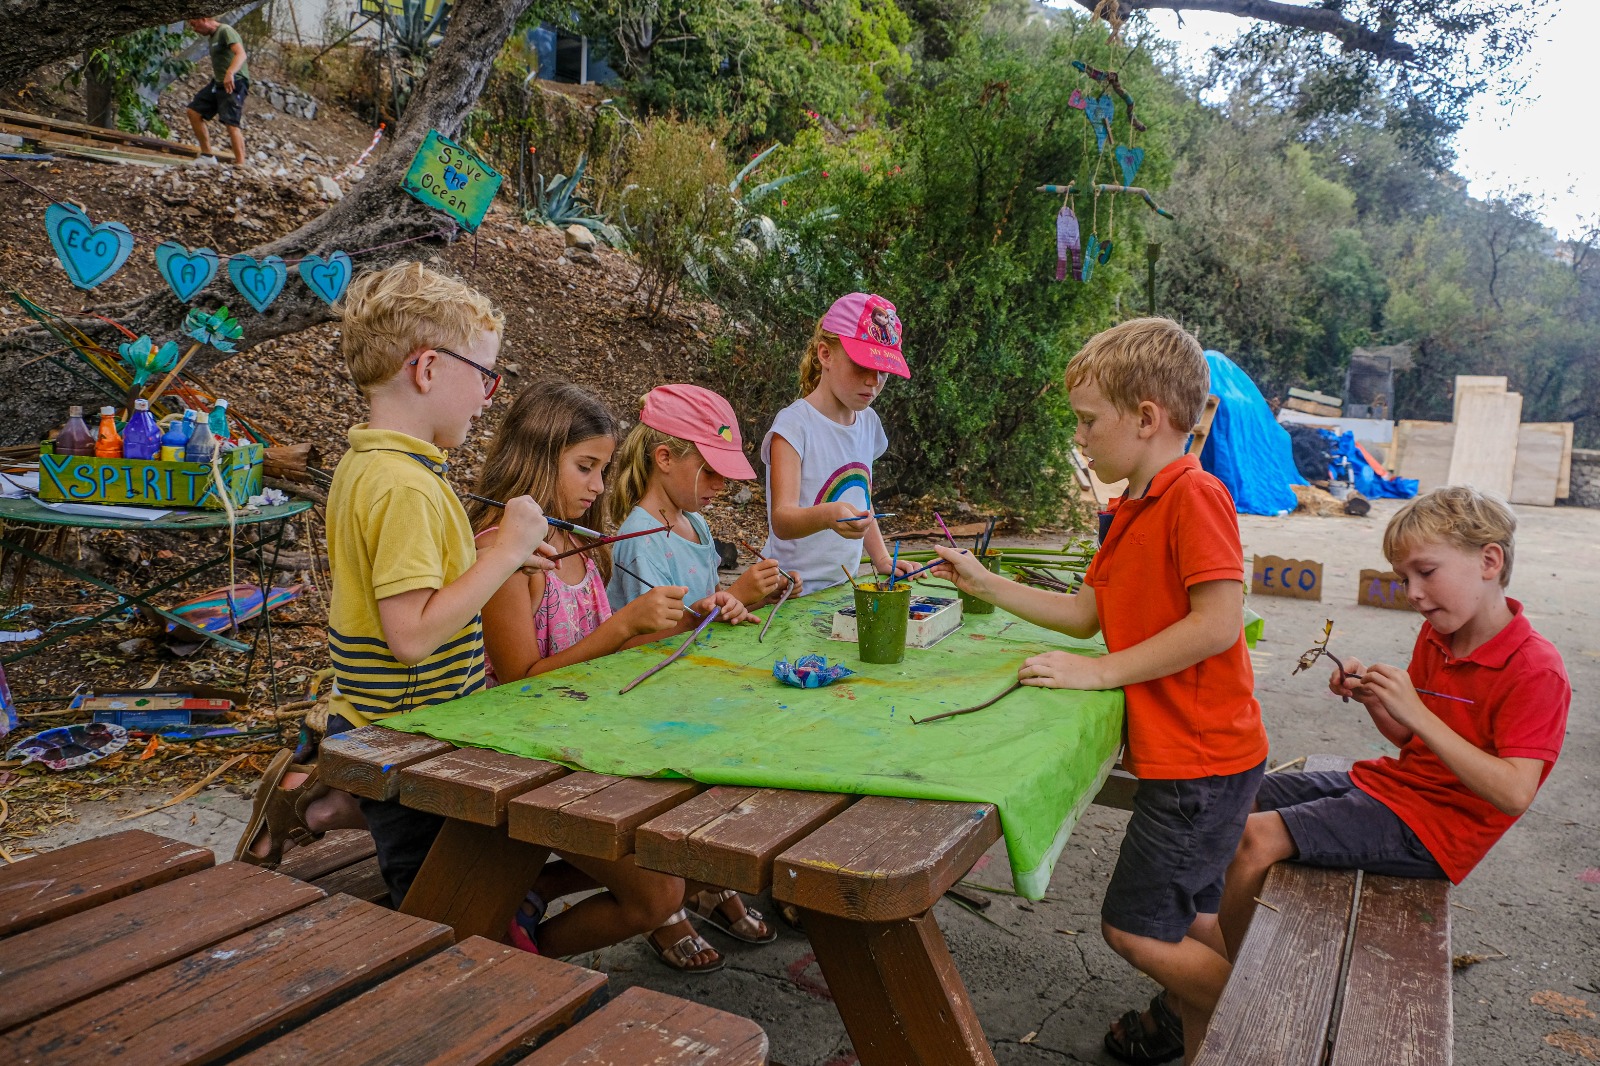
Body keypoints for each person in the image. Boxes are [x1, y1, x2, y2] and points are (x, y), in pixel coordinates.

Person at [931, 317, 1267, 1066]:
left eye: (1088, 421)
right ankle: (1208, 1042)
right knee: (1193, 920)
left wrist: (1102, 671)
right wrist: (987, 582)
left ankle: (1270, 1020)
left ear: (1146, 418)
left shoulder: (1192, 495)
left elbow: (1219, 623)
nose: (1079, 438)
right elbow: (1088, 613)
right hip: (1198, 761)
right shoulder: (1132, 507)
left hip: (1201, 765)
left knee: (1136, 930)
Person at [234, 262, 556, 910]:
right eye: (485, 376)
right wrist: (509, 552)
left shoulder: (371, 464)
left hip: (389, 726)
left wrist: (489, 550)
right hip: (406, 741)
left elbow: (405, 577)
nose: (488, 396)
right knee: (444, 905)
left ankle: (322, 794)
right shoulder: (405, 486)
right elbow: (410, 635)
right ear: (429, 369)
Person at [1214, 488, 1569, 1015]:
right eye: (1405, 579)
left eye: (1426, 572)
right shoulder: (1438, 636)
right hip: (1395, 790)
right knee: (1238, 793)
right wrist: (1377, 701)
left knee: (1254, 838)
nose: (1413, 593)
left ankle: (1228, 990)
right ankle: (1222, 955)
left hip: (1437, 829)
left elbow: (1515, 792)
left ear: (1489, 560)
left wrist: (1417, 712)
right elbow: (1413, 742)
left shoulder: (1535, 670)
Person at [469, 380, 763, 972]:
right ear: (536, 455)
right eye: (585, 467)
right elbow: (522, 680)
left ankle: (524, 918)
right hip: (525, 754)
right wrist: (623, 627)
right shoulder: (505, 555)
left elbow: (602, 654)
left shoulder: (578, 542)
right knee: (659, 892)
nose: (600, 485)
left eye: (602, 468)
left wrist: (689, 617)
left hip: (580, 733)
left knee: (701, 828)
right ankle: (527, 965)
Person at [761, 292, 917, 593]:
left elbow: (862, 502)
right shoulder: (794, 425)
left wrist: (882, 558)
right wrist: (830, 514)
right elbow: (782, 520)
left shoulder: (869, 423)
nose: (873, 381)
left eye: (883, 370)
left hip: (842, 586)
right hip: (789, 590)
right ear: (826, 354)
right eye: (862, 365)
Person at [606, 383, 794, 616]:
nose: (720, 485)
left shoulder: (695, 523)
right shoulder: (641, 540)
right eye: (708, 470)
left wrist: (762, 596)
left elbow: (710, 606)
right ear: (665, 458)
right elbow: (648, 638)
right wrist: (737, 593)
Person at [185, 17, 250, 165]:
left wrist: (230, 73)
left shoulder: (225, 31)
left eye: (194, 25)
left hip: (236, 81)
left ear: (204, 18)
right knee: (194, 112)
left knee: (231, 122)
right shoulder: (212, 37)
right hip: (219, 83)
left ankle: (241, 164)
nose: (194, 29)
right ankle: (207, 156)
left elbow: (241, 54)